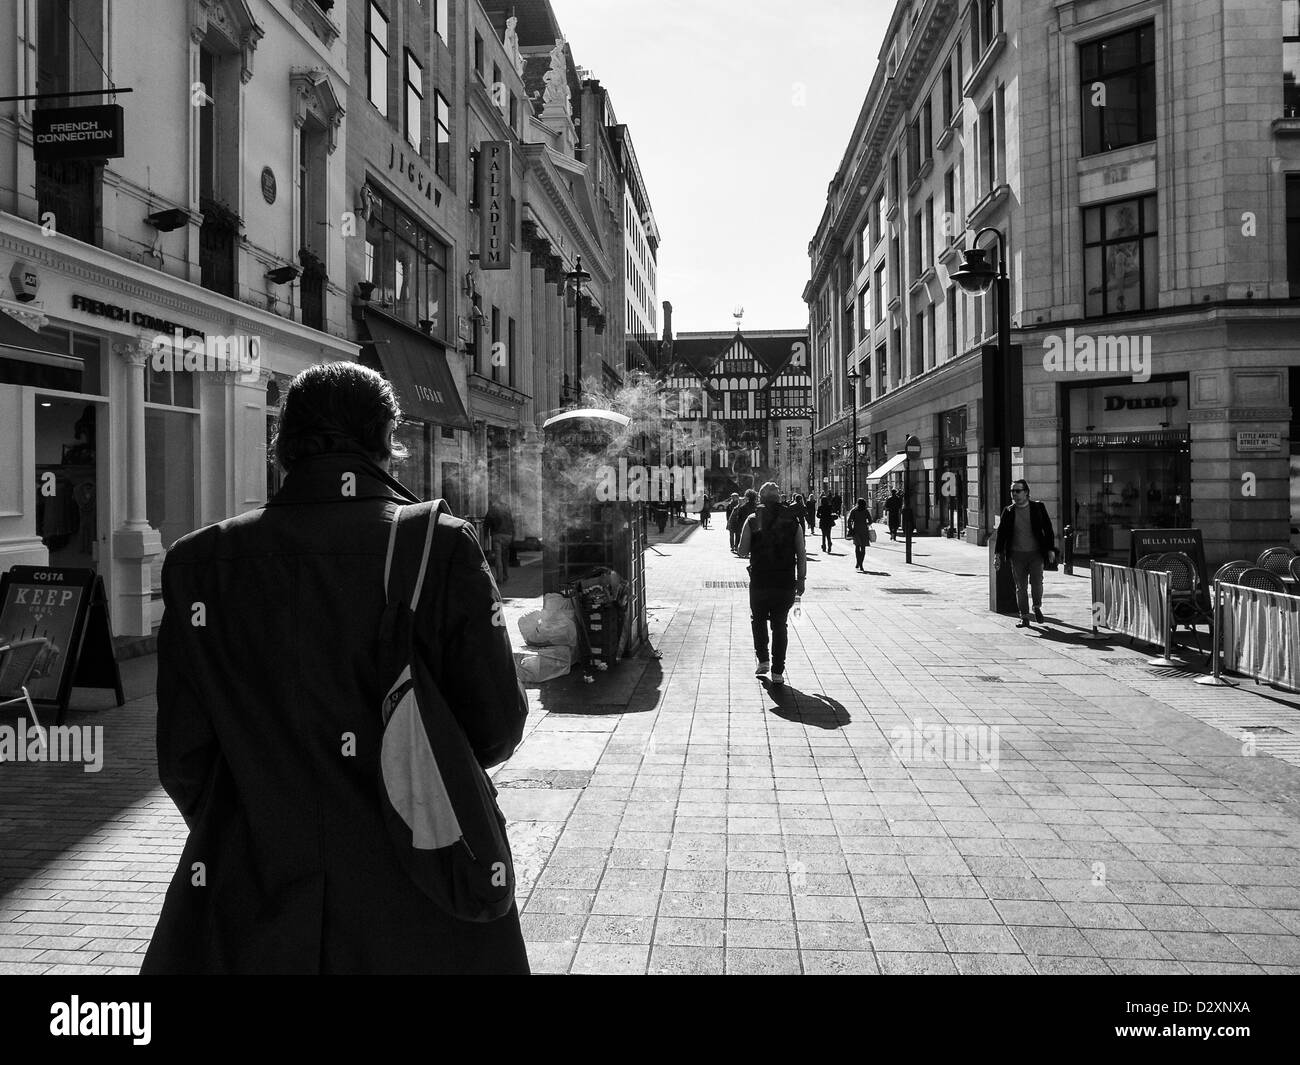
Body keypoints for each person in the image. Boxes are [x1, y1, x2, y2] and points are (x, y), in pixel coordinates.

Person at [142, 362, 530, 974]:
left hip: (252, 899)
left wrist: (263, 819)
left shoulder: (199, 563)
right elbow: (495, 730)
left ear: (283, 444)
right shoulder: (440, 546)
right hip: (418, 893)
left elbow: (183, 759)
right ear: (385, 442)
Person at [738, 481, 806, 686]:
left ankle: (763, 660)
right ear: (779, 498)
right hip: (785, 581)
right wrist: (801, 580)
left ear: (760, 498)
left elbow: (742, 550)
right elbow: (801, 553)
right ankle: (778, 671)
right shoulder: (793, 521)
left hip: (760, 580)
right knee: (780, 625)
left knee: (758, 619)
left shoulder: (753, 519)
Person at [994, 478, 1058, 628]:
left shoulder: (1038, 507)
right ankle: (1024, 616)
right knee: (1020, 587)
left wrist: (1050, 549)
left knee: (1037, 582)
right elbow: (1001, 534)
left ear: (1026, 492)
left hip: (1036, 553)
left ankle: (1036, 606)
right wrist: (997, 554)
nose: (1014, 494)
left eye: (1017, 491)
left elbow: (1048, 529)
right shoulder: (1008, 511)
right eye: (1012, 491)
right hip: (1017, 555)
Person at [484, 495, 515, 585]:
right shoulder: (506, 508)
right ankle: (505, 575)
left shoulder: (492, 509)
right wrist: (513, 535)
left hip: (497, 535)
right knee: (505, 556)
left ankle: (500, 578)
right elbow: (511, 522)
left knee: (498, 557)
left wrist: (485, 535)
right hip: (508, 535)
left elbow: (486, 523)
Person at [846, 497, 873, 571]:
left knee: (857, 547)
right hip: (864, 530)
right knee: (863, 547)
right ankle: (861, 564)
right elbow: (870, 521)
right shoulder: (866, 511)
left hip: (856, 530)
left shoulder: (854, 510)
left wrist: (850, 529)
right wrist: (866, 524)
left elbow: (849, 520)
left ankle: (858, 562)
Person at [728, 488, 758, 554]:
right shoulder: (757, 507)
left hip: (744, 526)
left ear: (747, 497)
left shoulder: (743, 507)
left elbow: (738, 518)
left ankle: (741, 550)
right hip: (756, 527)